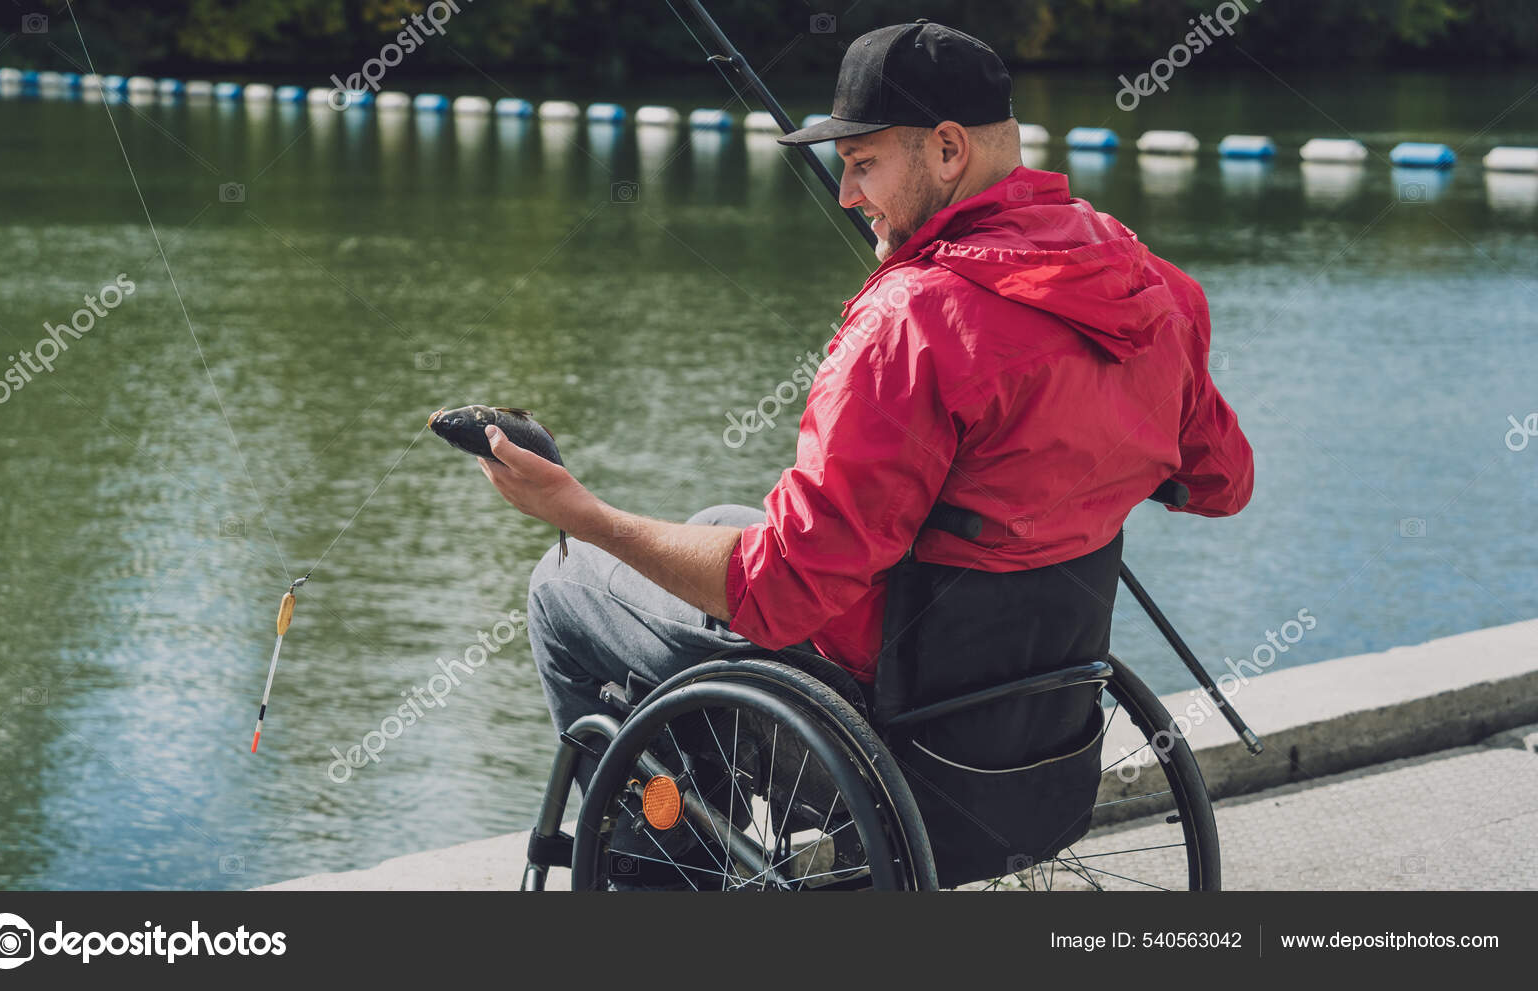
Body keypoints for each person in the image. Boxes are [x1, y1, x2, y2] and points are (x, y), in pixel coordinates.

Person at [476, 21, 1254, 756]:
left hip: (891, 730)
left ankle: (669, 868)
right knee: (717, 520)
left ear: (948, 150)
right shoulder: (1154, 285)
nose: (847, 193)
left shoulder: (912, 320)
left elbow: (780, 589)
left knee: (565, 581)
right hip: (1036, 727)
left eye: (863, 162)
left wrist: (582, 513)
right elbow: (1219, 482)